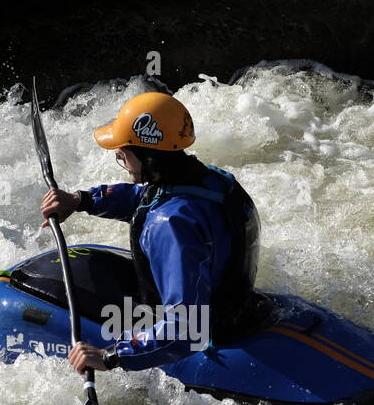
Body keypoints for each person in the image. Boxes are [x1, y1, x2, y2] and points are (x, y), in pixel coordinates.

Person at [39, 91, 270, 375]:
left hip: (204, 329)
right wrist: (82, 200)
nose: (119, 157)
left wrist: (111, 356)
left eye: (123, 154)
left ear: (149, 157)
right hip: (231, 304)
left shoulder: (170, 224)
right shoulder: (209, 179)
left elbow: (187, 326)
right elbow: (144, 198)